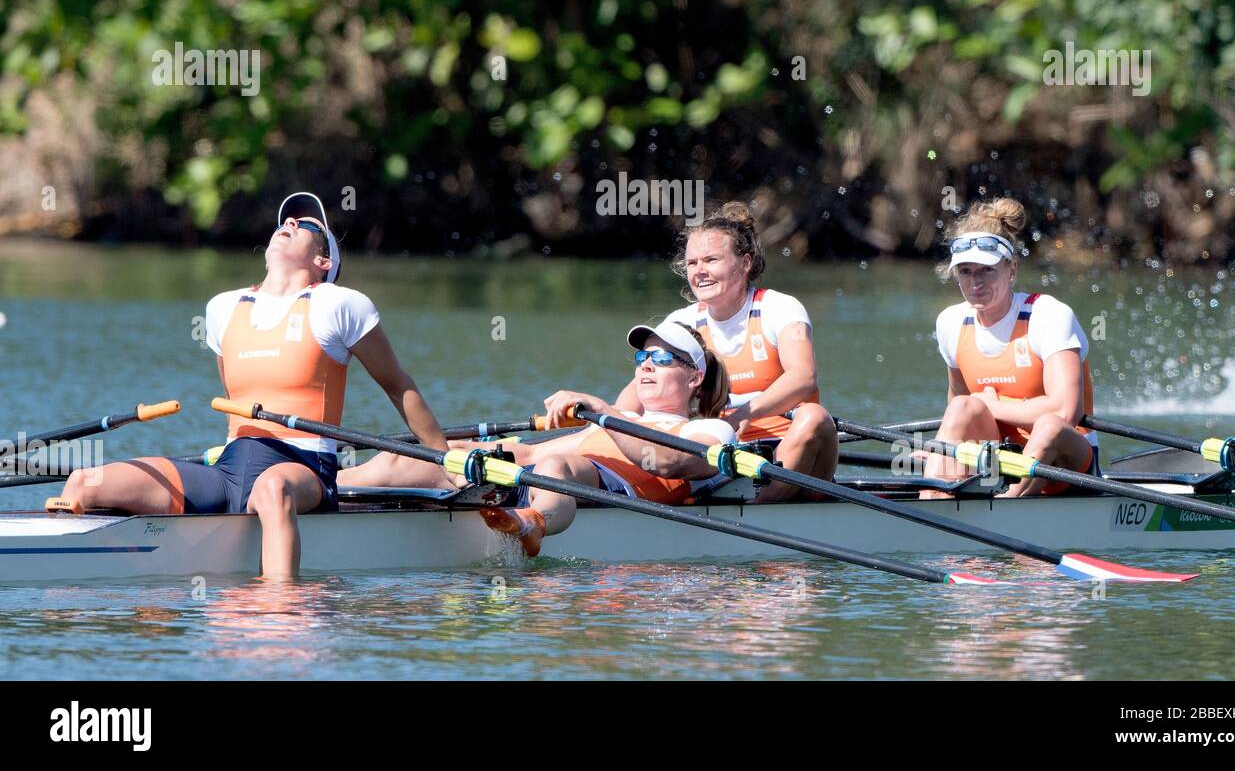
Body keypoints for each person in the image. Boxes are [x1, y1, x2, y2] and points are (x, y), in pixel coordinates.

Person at [52, 192, 452, 578]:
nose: (290, 223)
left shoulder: (340, 304)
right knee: (86, 482)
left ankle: (281, 608)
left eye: (307, 223)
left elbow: (398, 386)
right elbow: (233, 396)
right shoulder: (222, 308)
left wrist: (444, 460)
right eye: (285, 220)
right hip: (229, 470)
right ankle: (65, 588)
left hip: (303, 468)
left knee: (272, 487)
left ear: (323, 259)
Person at [613, 202, 837, 502]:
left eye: (711, 260)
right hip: (716, 457)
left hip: (788, 449)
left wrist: (742, 415)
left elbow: (803, 377)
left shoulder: (778, 308)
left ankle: (760, 510)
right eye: (692, 263)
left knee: (815, 416)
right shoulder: (682, 322)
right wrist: (610, 421)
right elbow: (639, 388)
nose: (699, 272)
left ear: (745, 264)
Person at [471, 321, 736, 557]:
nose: (646, 364)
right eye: (642, 356)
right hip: (550, 481)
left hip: (609, 489)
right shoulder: (616, 421)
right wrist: (459, 449)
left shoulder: (711, 429)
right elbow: (529, 455)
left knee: (554, 466)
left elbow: (672, 463)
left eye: (662, 358)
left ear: (694, 377)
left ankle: (534, 523)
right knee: (446, 467)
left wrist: (602, 410)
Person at [923, 198, 1100, 498]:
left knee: (1048, 426)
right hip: (995, 457)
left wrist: (994, 406)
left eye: (986, 270)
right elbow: (961, 406)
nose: (975, 282)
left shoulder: (1048, 315)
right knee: (961, 407)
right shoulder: (951, 323)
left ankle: (1006, 511)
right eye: (965, 271)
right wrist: (937, 452)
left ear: (1012, 269)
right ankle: (931, 501)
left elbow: (1065, 411)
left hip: (1066, 462)